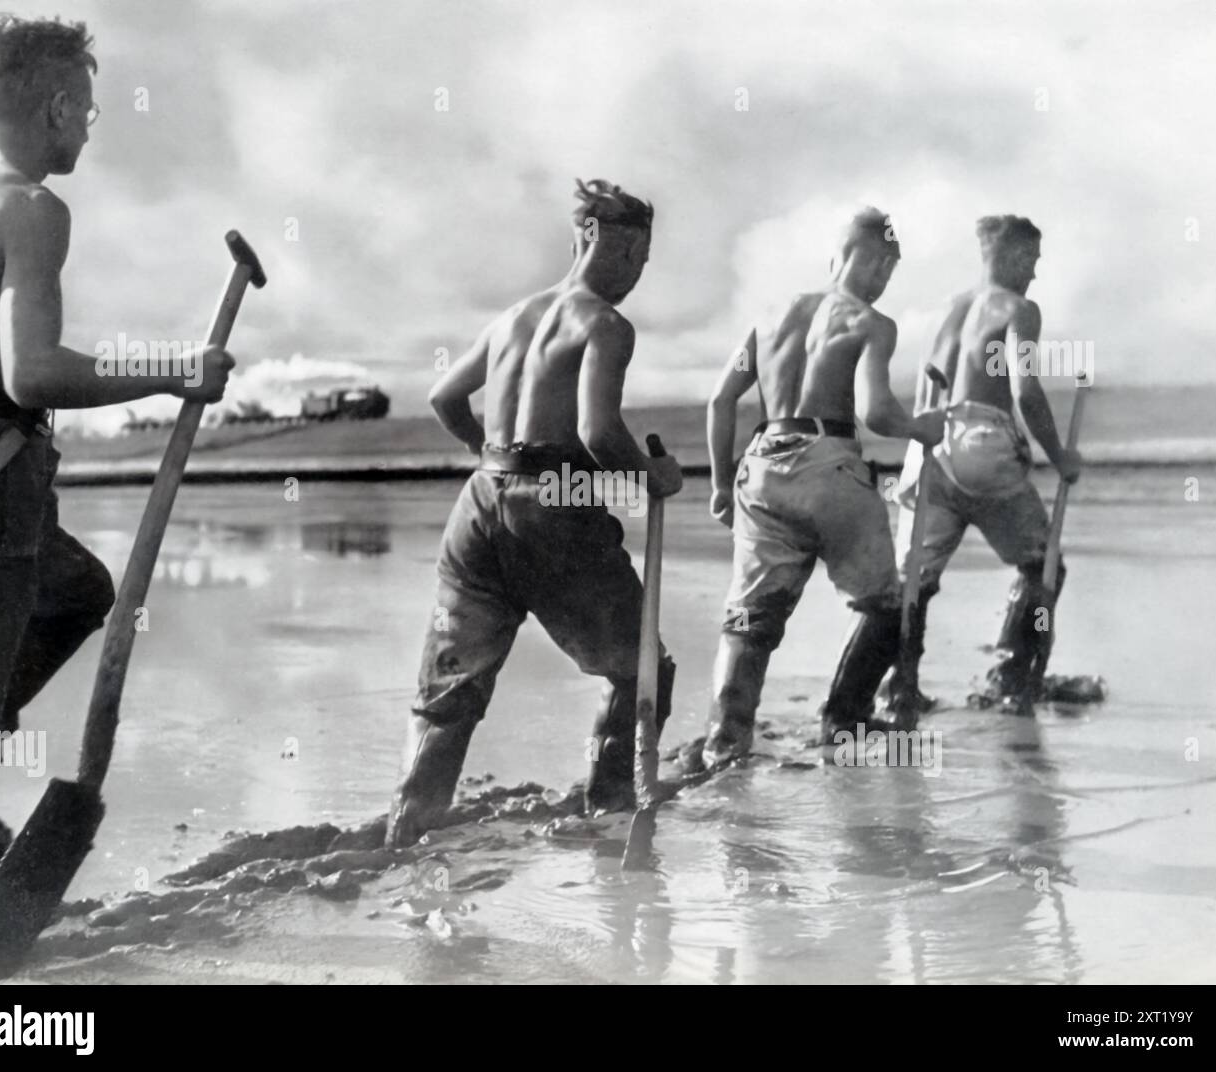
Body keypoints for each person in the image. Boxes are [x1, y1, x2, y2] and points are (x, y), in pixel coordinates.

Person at [0, 15, 234, 914]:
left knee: (75, 592)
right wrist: (174, 368)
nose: (89, 129)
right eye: (91, 112)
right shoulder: (32, 209)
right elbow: (32, 371)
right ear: (60, 106)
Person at [385, 179, 683, 848]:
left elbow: (442, 396)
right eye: (641, 257)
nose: (637, 273)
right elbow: (599, 431)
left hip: (481, 501)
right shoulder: (605, 325)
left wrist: (484, 453)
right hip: (554, 507)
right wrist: (651, 477)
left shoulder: (513, 316)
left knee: (448, 695)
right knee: (643, 668)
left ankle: (405, 836)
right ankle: (609, 814)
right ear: (626, 246)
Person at [701, 208, 944, 768]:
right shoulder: (869, 322)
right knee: (888, 608)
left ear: (835, 255)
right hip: (828, 463)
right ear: (882, 263)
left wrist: (719, 484)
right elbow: (875, 410)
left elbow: (719, 402)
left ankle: (725, 742)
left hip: (761, 466)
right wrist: (918, 428)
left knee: (748, 619)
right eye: (889, 268)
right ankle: (844, 722)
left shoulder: (770, 317)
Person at [886, 215, 1082, 716]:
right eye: (1033, 261)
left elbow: (930, 384)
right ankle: (1012, 679)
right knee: (1043, 566)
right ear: (1015, 256)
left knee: (915, 580)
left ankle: (899, 689)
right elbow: (1025, 390)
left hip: (928, 446)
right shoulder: (1019, 308)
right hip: (983, 443)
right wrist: (1058, 456)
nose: (1035, 274)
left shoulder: (951, 308)